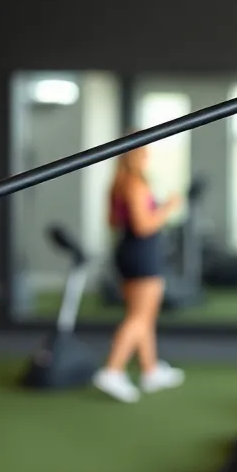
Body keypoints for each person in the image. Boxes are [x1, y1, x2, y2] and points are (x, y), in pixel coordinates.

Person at [92, 144, 186, 403]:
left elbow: (113, 221)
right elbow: (144, 226)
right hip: (142, 253)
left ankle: (150, 370)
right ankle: (112, 370)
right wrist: (169, 206)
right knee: (139, 317)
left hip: (129, 251)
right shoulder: (133, 184)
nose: (147, 157)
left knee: (144, 315)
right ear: (132, 154)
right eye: (143, 152)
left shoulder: (118, 184)